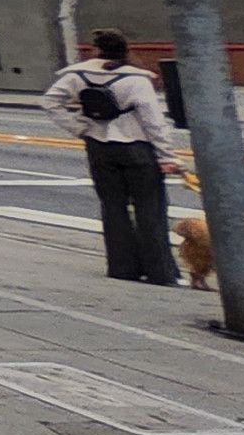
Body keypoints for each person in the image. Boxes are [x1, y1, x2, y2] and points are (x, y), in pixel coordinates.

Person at [41, 29, 184, 286]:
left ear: (96, 49)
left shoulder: (77, 75)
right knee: (150, 209)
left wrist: (80, 128)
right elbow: (153, 121)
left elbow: (50, 102)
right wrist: (167, 156)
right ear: (125, 49)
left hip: (99, 147)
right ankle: (160, 271)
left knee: (113, 207)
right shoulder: (136, 79)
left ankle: (121, 268)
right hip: (137, 148)